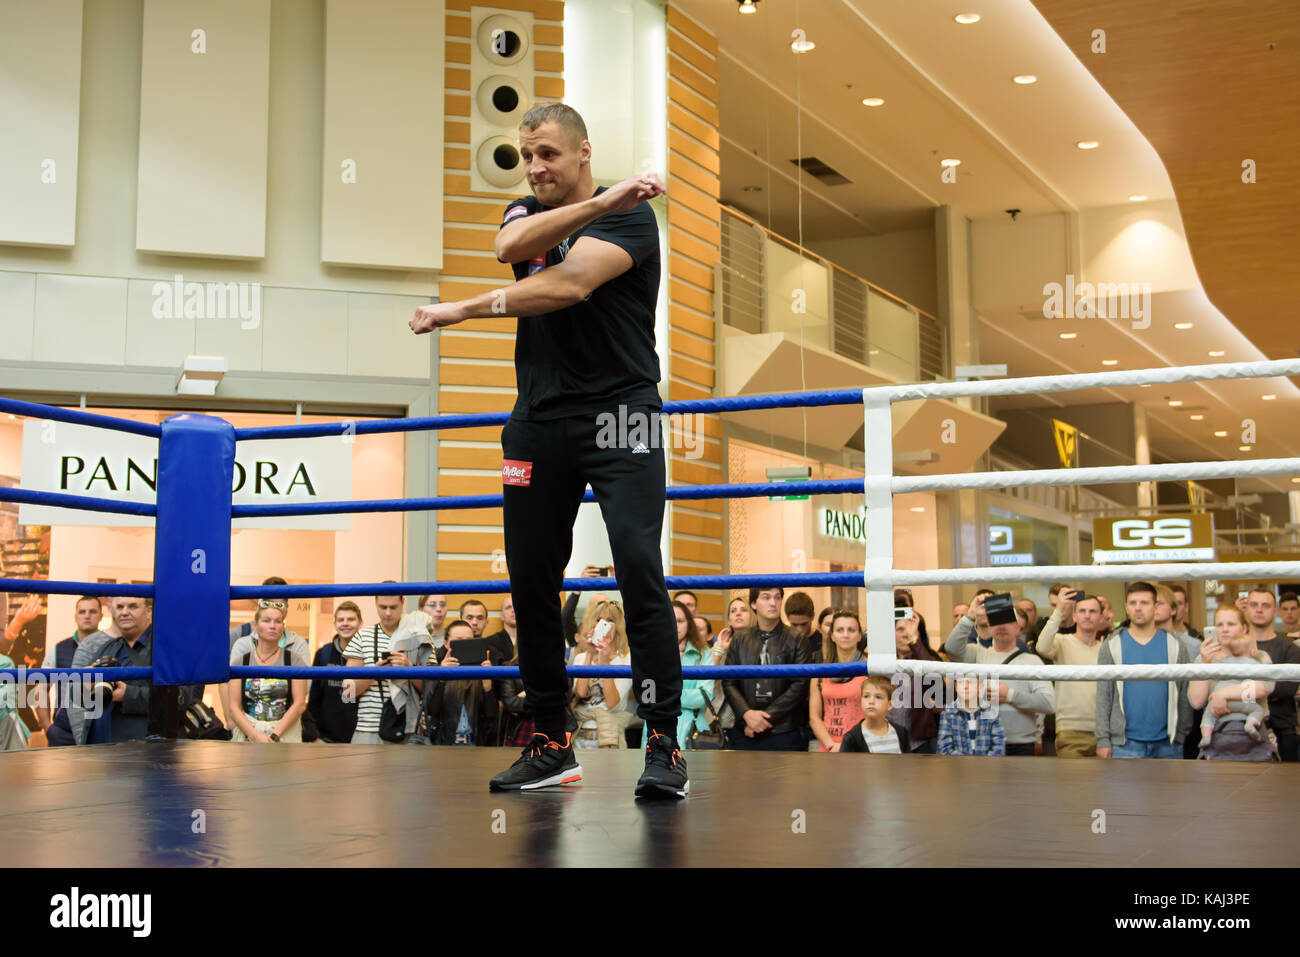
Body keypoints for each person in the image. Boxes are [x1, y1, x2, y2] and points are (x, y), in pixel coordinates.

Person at [412, 102, 683, 797]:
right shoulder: (525, 212)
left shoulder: (630, 216)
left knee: (637, 565)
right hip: (538, 422)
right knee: (530, 579)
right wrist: (594, 200)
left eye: (549, 155)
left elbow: (568, 283)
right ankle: (550, 739)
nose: (535, 168)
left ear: (584, 153)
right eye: (527, 155)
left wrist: (460, 309)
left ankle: (662, 739)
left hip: (623, 414)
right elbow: (510, 251)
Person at [68, 597, 203, 743]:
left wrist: (128, 694)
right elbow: (77, 698)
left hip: (149, 753)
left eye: (132, 607)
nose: (124, 612)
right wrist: (83, 686)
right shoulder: (107, 648)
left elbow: (181, 699)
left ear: (149, 612)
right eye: (119, 607)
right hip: (102, 753)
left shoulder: (169, 649)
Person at [944, 595, 1054, 755]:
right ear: (989, 627)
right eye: (996, 621)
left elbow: (1048, 704)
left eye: (1008, 621)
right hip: (983, 743)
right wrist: (970, 615)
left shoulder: (1032, 661)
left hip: (1020, 744)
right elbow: (952, 649)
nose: (1001, 626)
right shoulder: (977, 653)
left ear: (1019, 629)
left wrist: (1010, 695)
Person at [1095, 582, 1193, 759]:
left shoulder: (1175, 645)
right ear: (1126, 607)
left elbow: (1185, 692)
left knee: (1171, 788)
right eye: (1133, 603)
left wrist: (1180, 735)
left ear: (1155, 607)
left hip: (1168, 743)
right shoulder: (1112, 644)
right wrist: (1103, 739)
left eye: (1144, 603)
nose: (1138, 608)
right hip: (1124, 744)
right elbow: (1104, 694)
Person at [721, 587, 811, 751]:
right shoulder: (740, 639)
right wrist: (747, 714)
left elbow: (800, 685)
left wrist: (764, 719)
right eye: (766, 597)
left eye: (777, 597)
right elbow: (728, 681)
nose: (773, 603)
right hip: (745, 729)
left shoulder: (797, 639)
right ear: (753, 604)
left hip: (785, 730)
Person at [1192, 605, 1272, 757]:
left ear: (1244, 628)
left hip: (1255, 736)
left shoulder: (1258, 655)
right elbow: (1196, 702)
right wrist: (1204, 664)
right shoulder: (1204, 658)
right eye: (1219, 625)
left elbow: (1265, 687)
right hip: (1216, 737)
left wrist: (1223, 694)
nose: (1224, 629)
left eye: (1231, 624)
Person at [226, 600, 309, 743]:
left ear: (283, 627)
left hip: (284, 736)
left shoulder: (294, 660)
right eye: (266, 621)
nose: (272, 626)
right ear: (256, 626)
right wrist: (255, 736)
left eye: (278, 621)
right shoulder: (241, 662)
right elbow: (234, 707)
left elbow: (300, 703)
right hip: (248, 736)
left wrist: (274, 736)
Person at [1034, 588, 1103, 757]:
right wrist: (1059, 610)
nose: (1087, 615)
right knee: (1073, 783)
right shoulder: (1062, 642)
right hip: (1070, 731)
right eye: (1082, 611)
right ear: (1074, 616)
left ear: (1101, 617)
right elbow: (1041, 647)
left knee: (1103, 784)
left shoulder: (1106, 648)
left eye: (1092, 611)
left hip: (1103, 732)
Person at [342, 592, 413, 745]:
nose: (387, 613)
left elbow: (430, 688)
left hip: (408, 728)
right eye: (383, 607)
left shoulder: (418, 636)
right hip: (368, 729)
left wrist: (409, 668)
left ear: (403, 603)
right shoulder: (362, 636)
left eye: (393, 607)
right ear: (375, 604)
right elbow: (347, 692)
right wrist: (373, 674)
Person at [642, 601, 715, 747]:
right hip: (656, 729)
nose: (674, 625)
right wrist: (679, 696)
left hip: (693, 732)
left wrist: (665, 695)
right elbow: (646, 696)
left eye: (680, 621)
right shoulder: (650, 652)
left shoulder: (704, 653)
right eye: (669, 619)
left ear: (689, 624)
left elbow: (703, 697)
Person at [1239, 586, 1300, 761]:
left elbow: (1286, 688)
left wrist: (1243, 688)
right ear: (1246, 609)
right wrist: (1267, 687)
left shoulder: (1290, 648)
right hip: (1240, 726)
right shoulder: (1234, 646)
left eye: (1265, 605)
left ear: (1275, 611)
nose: (1259, 609)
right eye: (1254, 604)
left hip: (1282, 729)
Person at [425, 619, 504, 746]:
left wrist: (488, 685)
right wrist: (441, 676)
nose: (464, 644)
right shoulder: (435, 667)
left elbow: (491, 715)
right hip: (443, 743)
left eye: (468, 640)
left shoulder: (482, 670)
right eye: (458, 640)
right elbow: (431, 710)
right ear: (446, 644)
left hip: (477, 744)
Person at [38, 596, 104, 746]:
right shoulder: (58, 649)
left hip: (101, 732)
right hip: (63, 733)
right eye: (82, 612)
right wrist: (48, 727)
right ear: (76, 616)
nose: (87, 615)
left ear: (100, 615)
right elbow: (42, 688)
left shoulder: (112, 646)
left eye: (92, 611)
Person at [570, 600, 635, 749]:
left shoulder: (626, 659)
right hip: (580, 736)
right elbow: (580, 693)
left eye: (610, 621)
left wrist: (604, 662)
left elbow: (613, 703)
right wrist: (590, 654)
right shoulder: (581, 658)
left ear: (618, 627)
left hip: (610, 738)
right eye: (599, 620)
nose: (602, 624)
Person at [809, 610, 865, 752]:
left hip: (861, 747)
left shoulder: (870, 668)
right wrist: (831, 745)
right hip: (829, 748)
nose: (845, 635)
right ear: (832, 636)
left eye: (851, 630)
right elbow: (814, 717)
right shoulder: (820, 671)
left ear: (859, 636)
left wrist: (850, 746)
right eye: (840, 630)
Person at [891, 610, 945, 753]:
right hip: (889, 739)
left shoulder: (929, 658)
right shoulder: (885, 662)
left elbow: (933, 679)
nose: (905, 634)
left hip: (921, 742)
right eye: (900, 629)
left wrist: (915, 642)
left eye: (910, 629)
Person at [308, 601, 362, 743]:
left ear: (360, 623)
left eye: (351, 619)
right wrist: (314, 737)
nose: (345, 623)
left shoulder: (368, 654)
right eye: (340, 620)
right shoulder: (323, 654)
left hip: (360, 739)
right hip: (326, 740)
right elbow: (314, 699)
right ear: (335, 625)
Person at [937, 675, 1006, 756]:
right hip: (957, 767)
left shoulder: (991, 711)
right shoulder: (948, 713)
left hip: (987, 766)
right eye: (960, 682)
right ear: (956, 687)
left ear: (979, 686)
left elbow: (999, 746)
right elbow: (943, 749)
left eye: (970, 682)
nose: (965, 687)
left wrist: (984, 765)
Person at [839, 677, 911, 753]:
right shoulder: (851, 738)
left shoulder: (901, 733)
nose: (871, 701)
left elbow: (908, 763)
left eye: (878, 697)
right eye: (866, 696)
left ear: (890, 705)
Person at [483, 594, 518, 662]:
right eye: (508, 607)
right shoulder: (491, 642)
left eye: (517, 606)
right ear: (501, 615)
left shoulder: (533, 640)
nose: (513, 610)